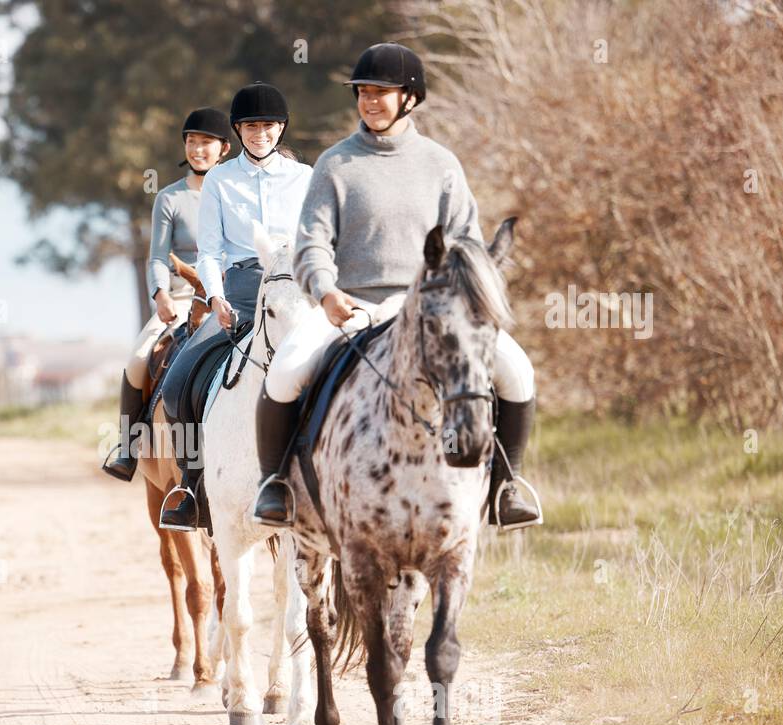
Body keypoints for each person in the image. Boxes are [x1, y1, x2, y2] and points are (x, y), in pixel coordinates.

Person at [251, 42, 542, 531]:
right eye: (363, 92)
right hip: (354, 306)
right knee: (285, 371)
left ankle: (505, 488)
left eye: (380, 92)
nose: (369, 101)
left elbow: (467, 244)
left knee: (517, 370)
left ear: (410, 97)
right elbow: (311, 243)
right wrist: (325, 292)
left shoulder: (441, 164)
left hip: (432, 310)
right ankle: (275, 486)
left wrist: (464, 301)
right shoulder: (335, 164)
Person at [157, 81, 313, 531]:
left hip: (293, 288)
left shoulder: (305, 178)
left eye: (267, 126)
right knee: (177, 382)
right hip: (240, 287)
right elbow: (208, 250)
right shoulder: (222, 180)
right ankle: (190, 486)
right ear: (238, 131)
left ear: (280, 128)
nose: (260, 133)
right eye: (250, 126)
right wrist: (217, 295)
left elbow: (317, 242)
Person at [102, 107, 232, 481]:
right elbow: (158, 255)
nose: (197, 149)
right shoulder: (170, 198)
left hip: (229, 295)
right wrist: (159, 293)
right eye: (192, 141)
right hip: (180, 298)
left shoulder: (234, 193)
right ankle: (128, 447)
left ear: (223, 148)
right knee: (139, 358)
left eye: (206, 142)